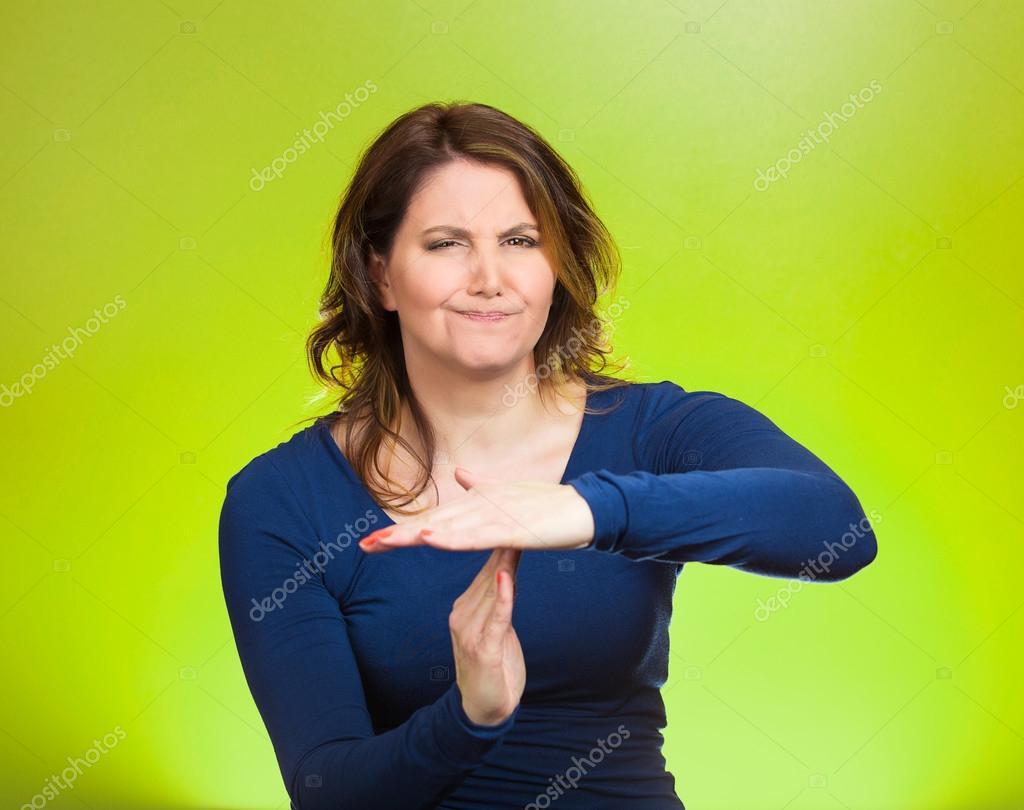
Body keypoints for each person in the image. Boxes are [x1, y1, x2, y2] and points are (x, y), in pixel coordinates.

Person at [218, 101, 878, 810]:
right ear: (380, 276)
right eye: (445, 244)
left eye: (521, 240)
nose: (489, 278)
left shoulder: (651, 428)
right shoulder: (281, 499)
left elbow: (836, 530)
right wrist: (470, 718)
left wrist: (584, 507)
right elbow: (330, 792)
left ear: (557, 265)